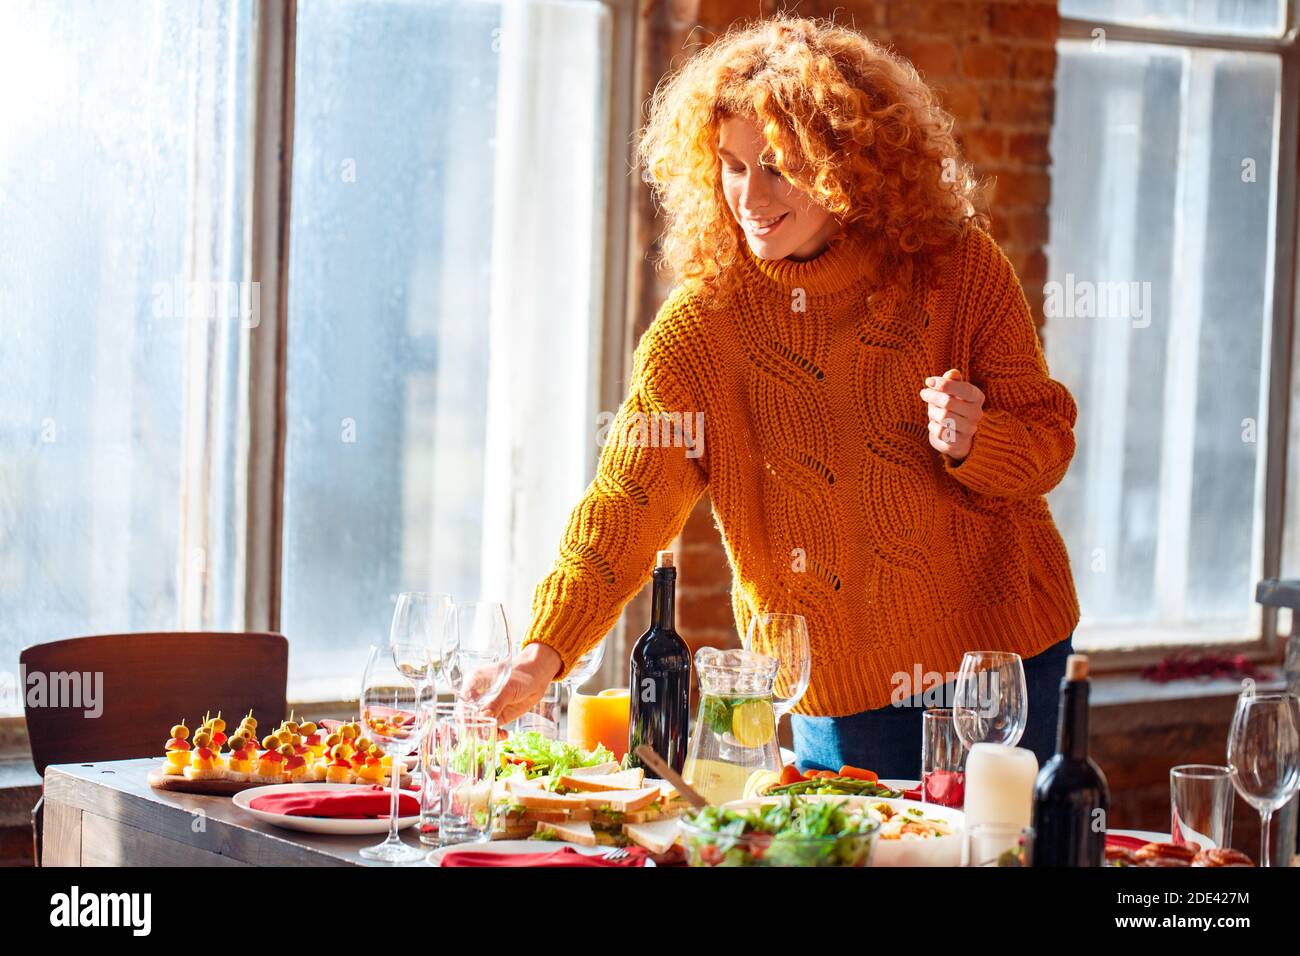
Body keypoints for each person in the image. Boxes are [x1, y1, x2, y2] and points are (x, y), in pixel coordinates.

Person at [474, 16, 1080, 778]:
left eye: (780, 168)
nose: (749, 197)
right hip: (839, 689)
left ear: (848, 165)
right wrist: (544, 652)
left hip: (1003, 662)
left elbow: (1047, 443)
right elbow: (628, 504)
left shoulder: (958, 269)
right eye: (730, 165)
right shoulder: (698, 332)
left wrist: (975, 439)